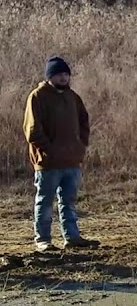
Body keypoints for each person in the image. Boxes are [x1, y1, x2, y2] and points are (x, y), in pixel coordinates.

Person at [23, 56, 99, 252]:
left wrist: (80, 146)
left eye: (66, 74)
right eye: (59, 75)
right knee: (45, 202)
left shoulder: (72, 97)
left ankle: (72, 237)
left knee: (69, 202)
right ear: (50, 76)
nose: (63, 78)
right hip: (48, 163)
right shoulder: (37, 96)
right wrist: (50, 150)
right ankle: (43, 240)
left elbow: (84, 122)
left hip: (72, 161)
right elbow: (32, 130)